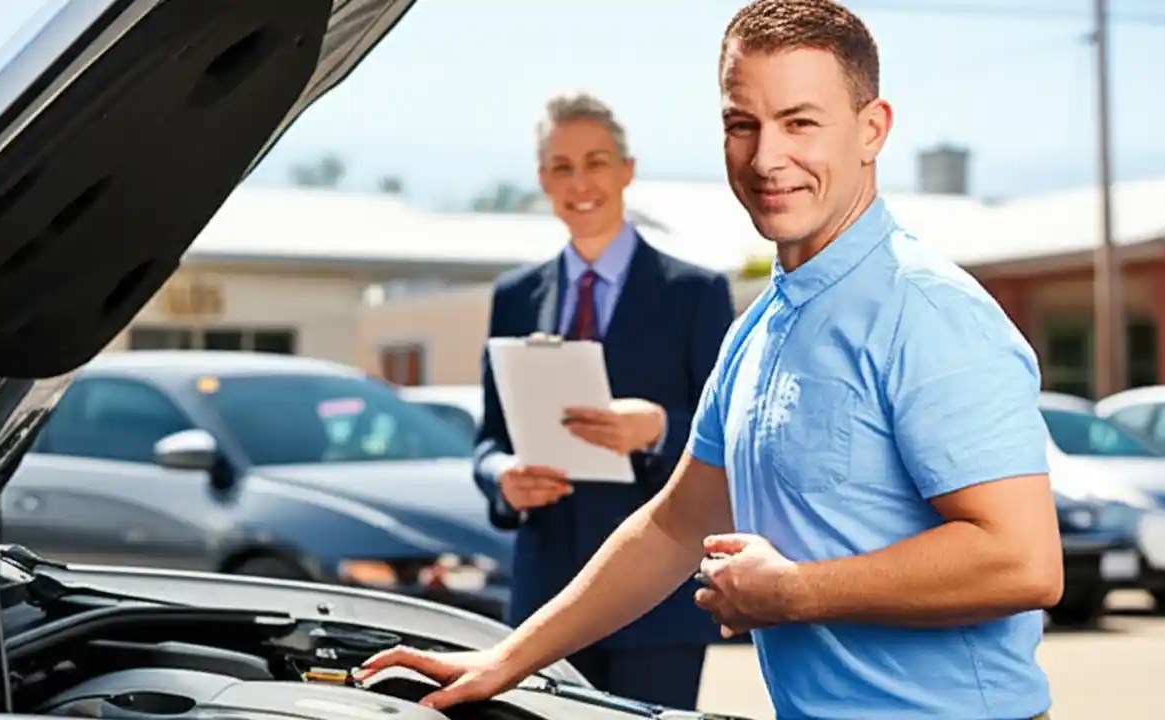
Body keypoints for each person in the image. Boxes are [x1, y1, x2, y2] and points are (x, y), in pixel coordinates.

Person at [358, 2, 1062, 718]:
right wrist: (504, 659)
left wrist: (792, 593)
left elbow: (1021, 560)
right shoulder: (758, 328)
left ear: (872, 129)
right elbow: (674, 525)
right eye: (742, 125)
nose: (765, 159)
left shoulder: (928, 311)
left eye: (801, 123)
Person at [462, 91, 735, 709]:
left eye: (596, 162)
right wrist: (501, 476)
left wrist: (660, 428)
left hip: (656, 600)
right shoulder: (515, 297)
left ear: (627, 170)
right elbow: (488, 439)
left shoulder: (695, 294)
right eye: (561, 167)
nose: (579, 182)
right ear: (542, 180)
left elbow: (733, 439)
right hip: (544, 593)